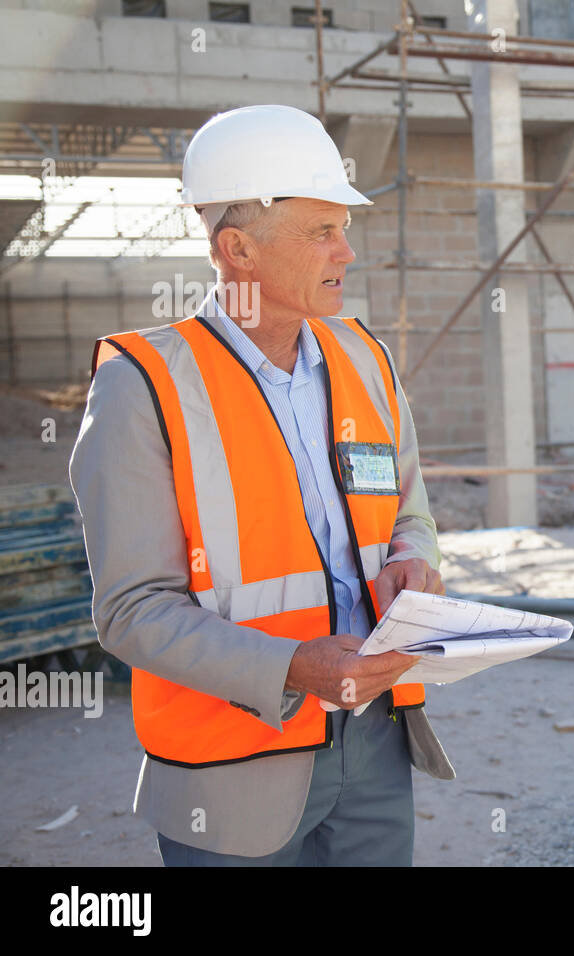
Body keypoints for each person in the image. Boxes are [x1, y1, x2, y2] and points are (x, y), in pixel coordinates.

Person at [68, 104, 453, 866]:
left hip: (376, 741)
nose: (346, 251)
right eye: (321, 232)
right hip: (233, 765)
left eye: (344, 227)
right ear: (236, 248)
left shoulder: (365, 359)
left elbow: (409, 511)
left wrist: (414, 559)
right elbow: (131, 612)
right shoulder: (143, 386)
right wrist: (291, 669)